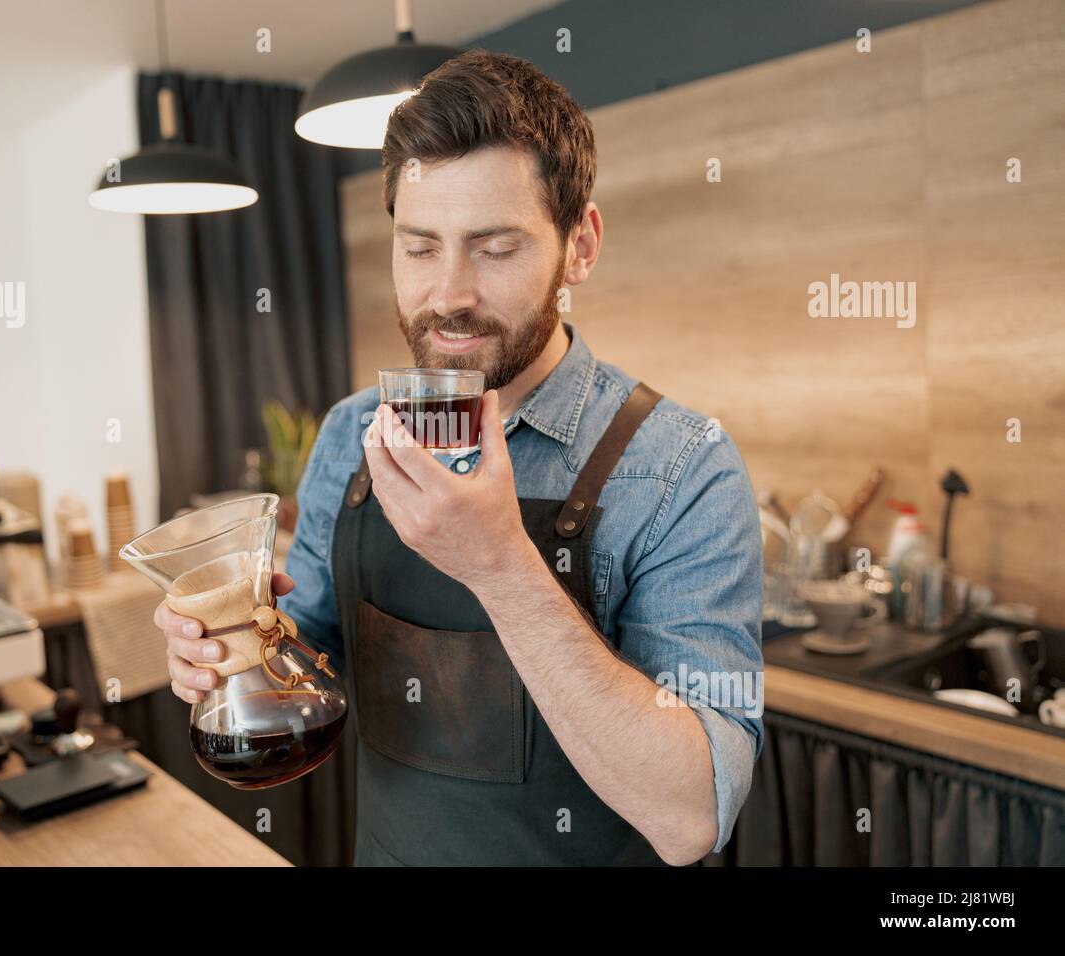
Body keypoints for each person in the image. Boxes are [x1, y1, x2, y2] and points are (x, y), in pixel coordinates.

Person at [156, 49, 764, 866]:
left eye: (496, 247)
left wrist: (502, 566)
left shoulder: (685, 468)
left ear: (578, 245)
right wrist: (228, 649)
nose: (449, 294)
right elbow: (308, 664)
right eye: (419, 247)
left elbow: (693, 813)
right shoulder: (349, 435)